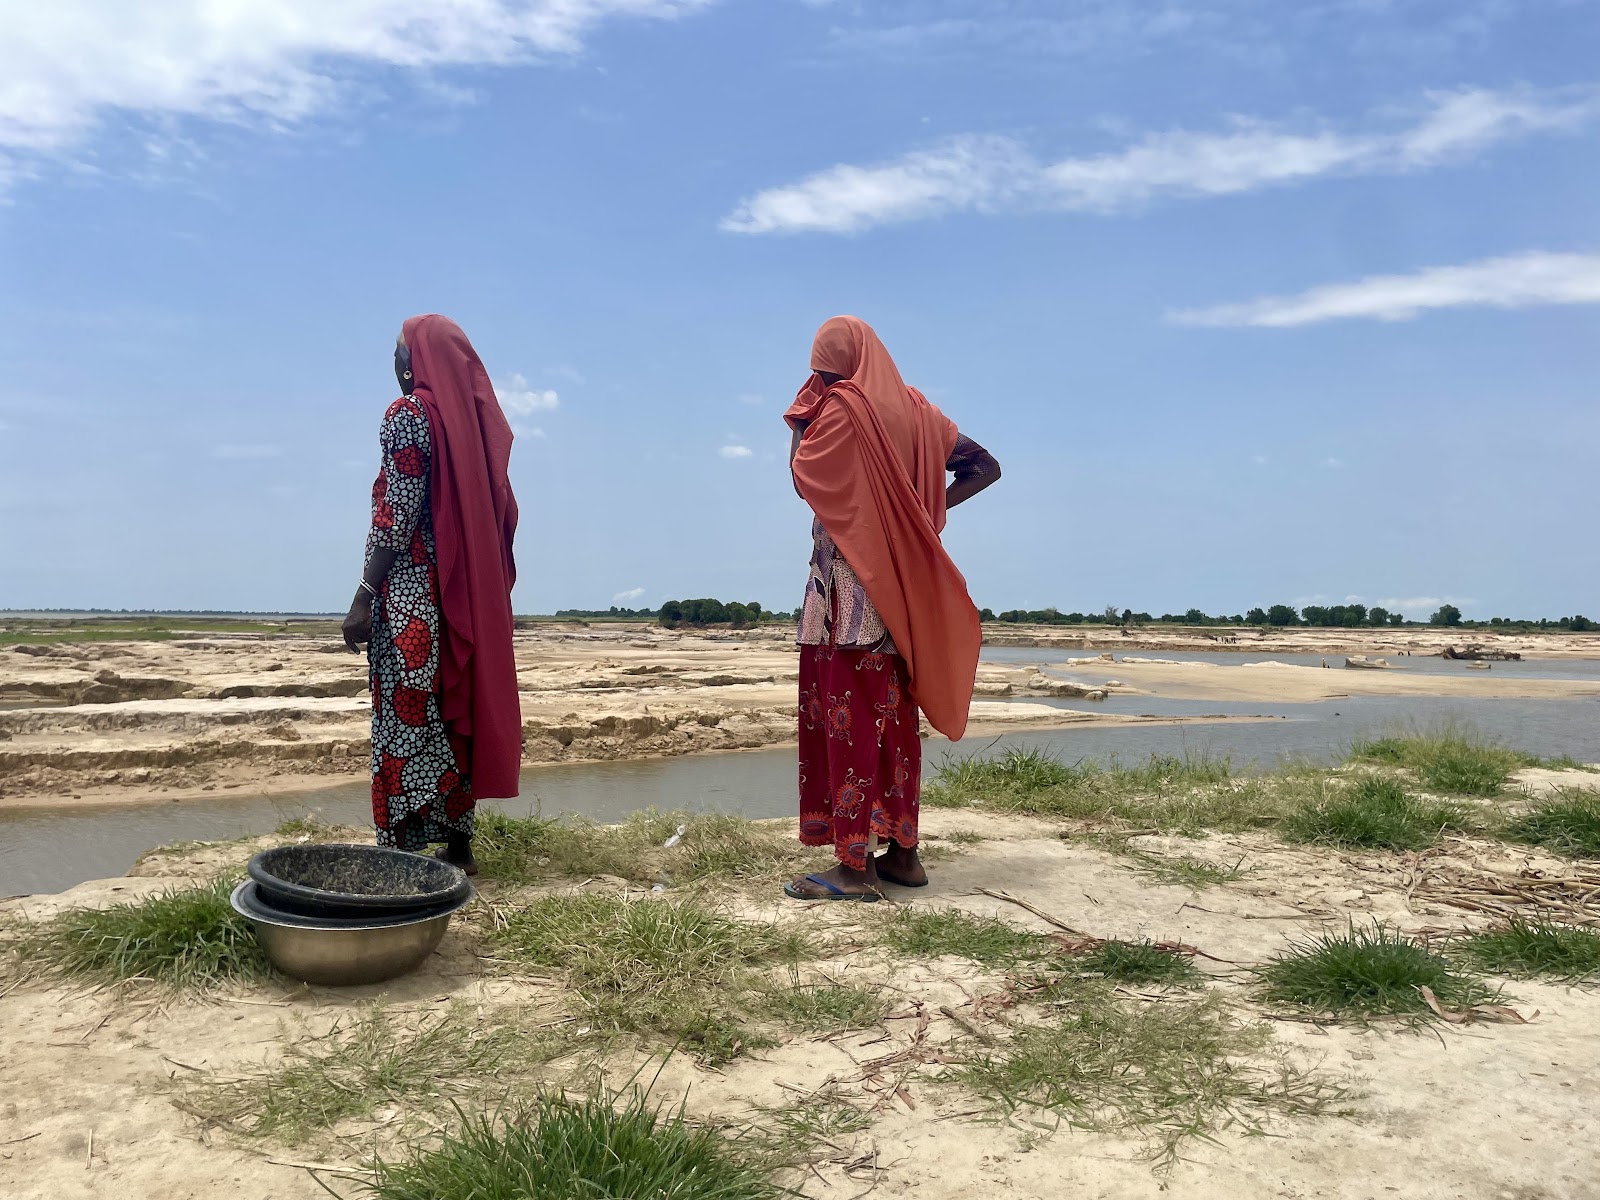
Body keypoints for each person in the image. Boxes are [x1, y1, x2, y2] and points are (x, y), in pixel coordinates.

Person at [782, 316, 1001, 902]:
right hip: (903, 600)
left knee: (848, 724)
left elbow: (804, 479)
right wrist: (921, 515)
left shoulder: (841, 409)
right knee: (894, 725)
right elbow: (985, 467)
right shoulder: (921, 412)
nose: (822, 381)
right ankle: (903, 855)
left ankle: (854, 868)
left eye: (823, 372)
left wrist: (801, 418)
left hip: (848, 602)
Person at [342, 315, 522, 875]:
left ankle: (398, 851)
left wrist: (364, 593)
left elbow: (397, 513)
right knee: (447, 715)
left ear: (415, 361)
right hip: (456, 602)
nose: (396, 363)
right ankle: (459, 850)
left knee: (402, 720)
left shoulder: (407, 415)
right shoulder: (466, 428)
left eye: (400, 352)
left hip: (410, 601)